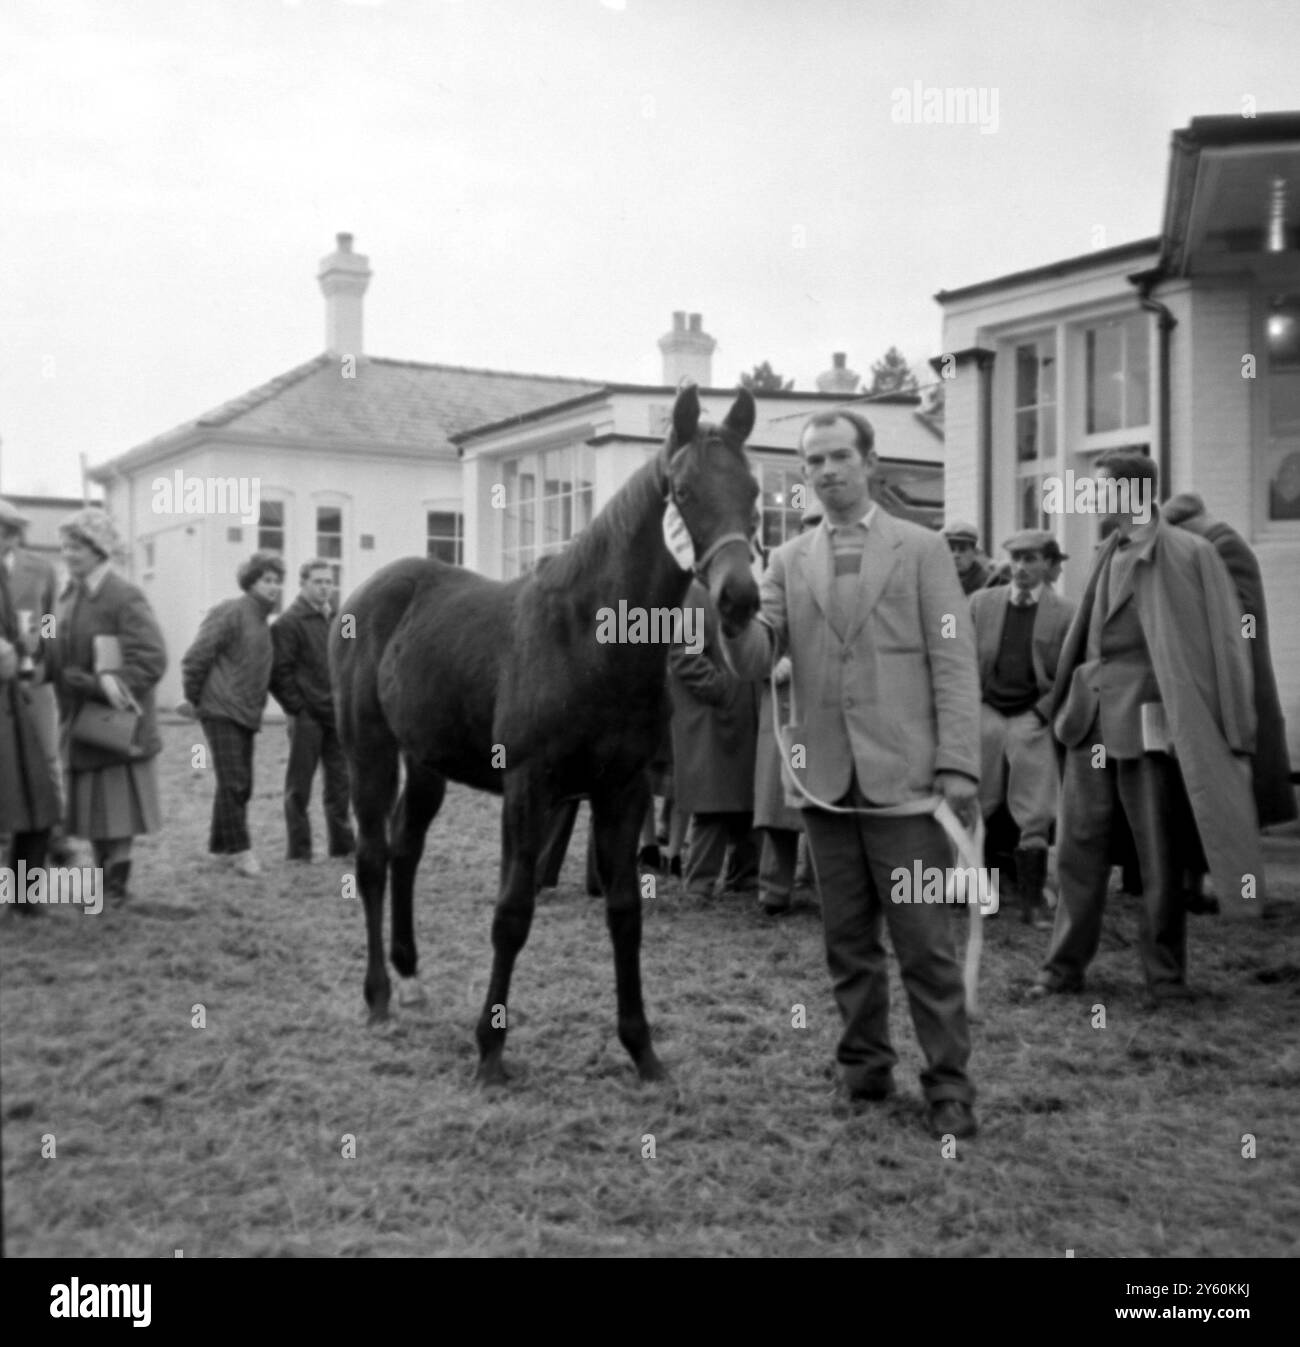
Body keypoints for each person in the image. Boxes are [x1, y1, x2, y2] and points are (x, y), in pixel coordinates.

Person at [723, 409, 981, 1139]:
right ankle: (865, 1070)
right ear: (804, 474)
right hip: (826, 786)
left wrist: (960, 761)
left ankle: (949, 1087)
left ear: (870, 462)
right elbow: (754, 659)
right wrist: (735, 617)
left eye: (841, 456)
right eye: (814, 462)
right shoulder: (784, 561)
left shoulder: (925, 550)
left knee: (926, 942)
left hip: (909, 786)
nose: (828, 471)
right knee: (847, 942)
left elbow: (954, 661)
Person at [1032, 453, 1262, 1004]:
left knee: (1159, 855)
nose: (1091, 501)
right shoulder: (1105, 551)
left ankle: (1165, 976)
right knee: (1076, 850)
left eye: (1101, 490)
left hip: (1152, 723)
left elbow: (1226, 643)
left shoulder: (1191, 553)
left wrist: (1235, 728)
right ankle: (1063, 968)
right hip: (1090, 723)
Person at [54, 508, 167, 903]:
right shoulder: (69, 594)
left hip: (114, 723)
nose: (68, 554)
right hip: (79, 718)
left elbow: (152, 658)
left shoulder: (123, 595)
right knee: (93, 808)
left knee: (116, 809)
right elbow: (53, 639)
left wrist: (102, 684)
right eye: (65, 546)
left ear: (100, 550)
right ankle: (104, 881)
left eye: (77, 547)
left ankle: (115, 886)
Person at [968, 530, 1075, 926]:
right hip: (986, 711)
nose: (1022, 568)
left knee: (1035, 807)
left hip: (1032, 715)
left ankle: (1032, 902)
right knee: (977, 800)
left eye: (1031, 559)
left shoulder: (1065, 613)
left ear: (1048, 564)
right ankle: (978, 897)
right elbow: (958, 656)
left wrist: (1045, 712)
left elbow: (1069, 671)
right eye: (1015, 559)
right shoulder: (980, 604)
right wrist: (972, 705)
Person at [181, 552, 283, 877]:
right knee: (235, 782)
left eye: (278, 581)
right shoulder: (230, 612)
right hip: (220, 709)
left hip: (246, 713)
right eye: (267, 580)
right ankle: (241, 852)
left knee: (240, 783)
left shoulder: (263, 622)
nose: (275, 587)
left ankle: (221, 848)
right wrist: (196, 699)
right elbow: (196, 657)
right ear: (251, 581)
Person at [669, 577, 760, 902]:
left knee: (747, 800)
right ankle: (700, 883)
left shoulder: (742, 594)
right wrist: (723, 690)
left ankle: (745, 875)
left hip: (741, 717)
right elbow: (685, 655)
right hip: (713, 719)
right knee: (713, 804)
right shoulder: (695, 596)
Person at [753, 500, 822, 916]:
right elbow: (754, 632)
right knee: (778, 803)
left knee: (825, 800)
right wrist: (769, 662)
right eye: (809, 526)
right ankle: (773, 888)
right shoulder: (779, 573)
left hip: (827, 708)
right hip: (783, 706)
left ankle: (824, 882)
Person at [269, 558, 355, 861]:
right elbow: (279, 673)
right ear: (303, 584)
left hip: (335, 717)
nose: (324, 587)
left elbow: (348, 662)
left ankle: (343, 847)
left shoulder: (339, 620)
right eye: (318, 581)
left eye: (329, 582)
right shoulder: (288, 623)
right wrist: (298, 708)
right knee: (299, 787)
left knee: (340, 784)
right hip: (306, 719)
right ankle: (300, 851)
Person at [0, 498, 71, 865]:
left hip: (34, 680)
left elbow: (50, 621)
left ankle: (54, 836)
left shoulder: (41, 570)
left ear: (11, 535)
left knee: (47, 756)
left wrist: (42, 644)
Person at [1, 540, 60, 915]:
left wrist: (46, 659)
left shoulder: (41, 568)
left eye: (11, 529)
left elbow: (51, 620)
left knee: (39, 783)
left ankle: (28, 894)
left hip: (30, 689)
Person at [942, 520, 993, 595]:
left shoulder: (988, 583)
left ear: (975, 552)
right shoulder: (936, 580)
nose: (955, 555)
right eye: (951, 549)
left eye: (962, 549)